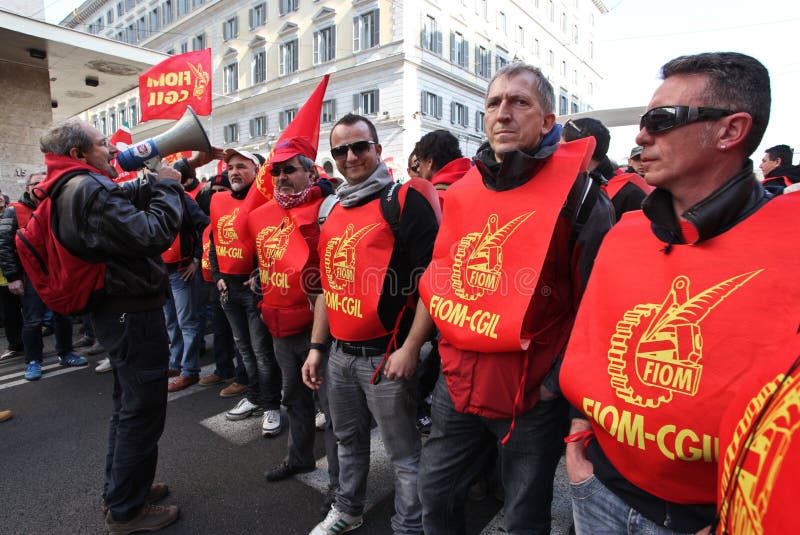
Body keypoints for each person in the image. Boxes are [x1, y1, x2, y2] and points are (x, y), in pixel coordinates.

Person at [558, 51, 799, 535]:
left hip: (711, 519)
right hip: (600, 488)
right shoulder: (623, 233)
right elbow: (593, 345)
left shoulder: (792, 241)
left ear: (731, 131)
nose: (641, 135)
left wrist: (748, 516)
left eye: (662, 120)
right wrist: (579, 441)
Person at [415, 63, 615, 535]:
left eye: (519, 102)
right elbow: (444, 272)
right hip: (457, 381)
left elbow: (598, 307)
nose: (502, 114)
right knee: (435, 494)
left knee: (524, 512)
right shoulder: (464, 189)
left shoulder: (583, 199)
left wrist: (554, 383)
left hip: (531, 394)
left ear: (548, 121)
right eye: (493, 103)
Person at [38, 119, 187, 532]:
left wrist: (154, 181)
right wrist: (167, 186)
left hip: (115, 310)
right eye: (102, 144)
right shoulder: (86, 187)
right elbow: (152, 233)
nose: (110, 150)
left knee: (128, 407)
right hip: (130, 312)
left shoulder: (72, 185)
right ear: (78, 155)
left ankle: (125, 490)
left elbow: (118, 207)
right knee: (141, 410)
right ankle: (126, 510)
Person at [302, 113, 440, 535]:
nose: (350, 156)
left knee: (404, 455)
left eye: (360, 146)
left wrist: (411, 347)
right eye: (340, 149)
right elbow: (328, 285)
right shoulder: (331, 207)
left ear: (378, 150)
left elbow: (434, 283)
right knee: (347, 443)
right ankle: (348, 509)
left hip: (386, 356)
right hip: (340, 355)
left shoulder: (404, 198)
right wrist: (316, 348)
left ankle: (408, 527)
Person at [246, 137, 340, 501]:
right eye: (276, 172)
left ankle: (339, 486)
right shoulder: (263, 214)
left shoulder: (330, 209)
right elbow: (266, 255)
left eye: (290, 170)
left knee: (333, 412)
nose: (281, 178)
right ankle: (299, 459)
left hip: (323, 328)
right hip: (281, 328)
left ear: (310, 172)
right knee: (294, 400)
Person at [209, 148, 283, 434]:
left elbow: (275, 245)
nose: (234, 172)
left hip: (255, 291)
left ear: (257, 171)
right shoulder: (218, 200)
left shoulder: (268, 203)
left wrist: (261, 276)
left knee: (262, 352)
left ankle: (272, 405)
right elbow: (215, 241)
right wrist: (217, 275)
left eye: (241, 166)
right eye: (230, 168)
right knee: (245, 350)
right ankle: (255, 396)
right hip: (229, 291)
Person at [0, 171, 88, 381]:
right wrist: (13, 276)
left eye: (44, 181)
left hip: (57, 274)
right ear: (28, 188)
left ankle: (65, 353)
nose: (40, 185)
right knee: (32, 320)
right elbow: (4, 246)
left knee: (62, 316)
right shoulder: (14, 211)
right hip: (30, 275)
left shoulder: (56, 206)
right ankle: (33, 360)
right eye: (35, 183)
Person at [196, 171, 249, 397]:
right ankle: (223, 369)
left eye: (222, 191)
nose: (216, 196)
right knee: (220, 331)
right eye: (213, 192)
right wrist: (217, 276)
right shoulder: (211, 220)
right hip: (217, 285)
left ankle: (243, 378)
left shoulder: (242, 215)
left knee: (241, 339)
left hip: (241, 286)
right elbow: (215, 248)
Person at [562, 117, 652, 220]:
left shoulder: (630, 193)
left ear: (583, 149)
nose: (557, 153)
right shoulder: (570, 184)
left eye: (563, 148)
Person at [413, 129, 472, 209]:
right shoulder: (480, 181)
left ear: (430, 162)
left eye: (418, 163)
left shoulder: (435, 200)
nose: (418, 169)